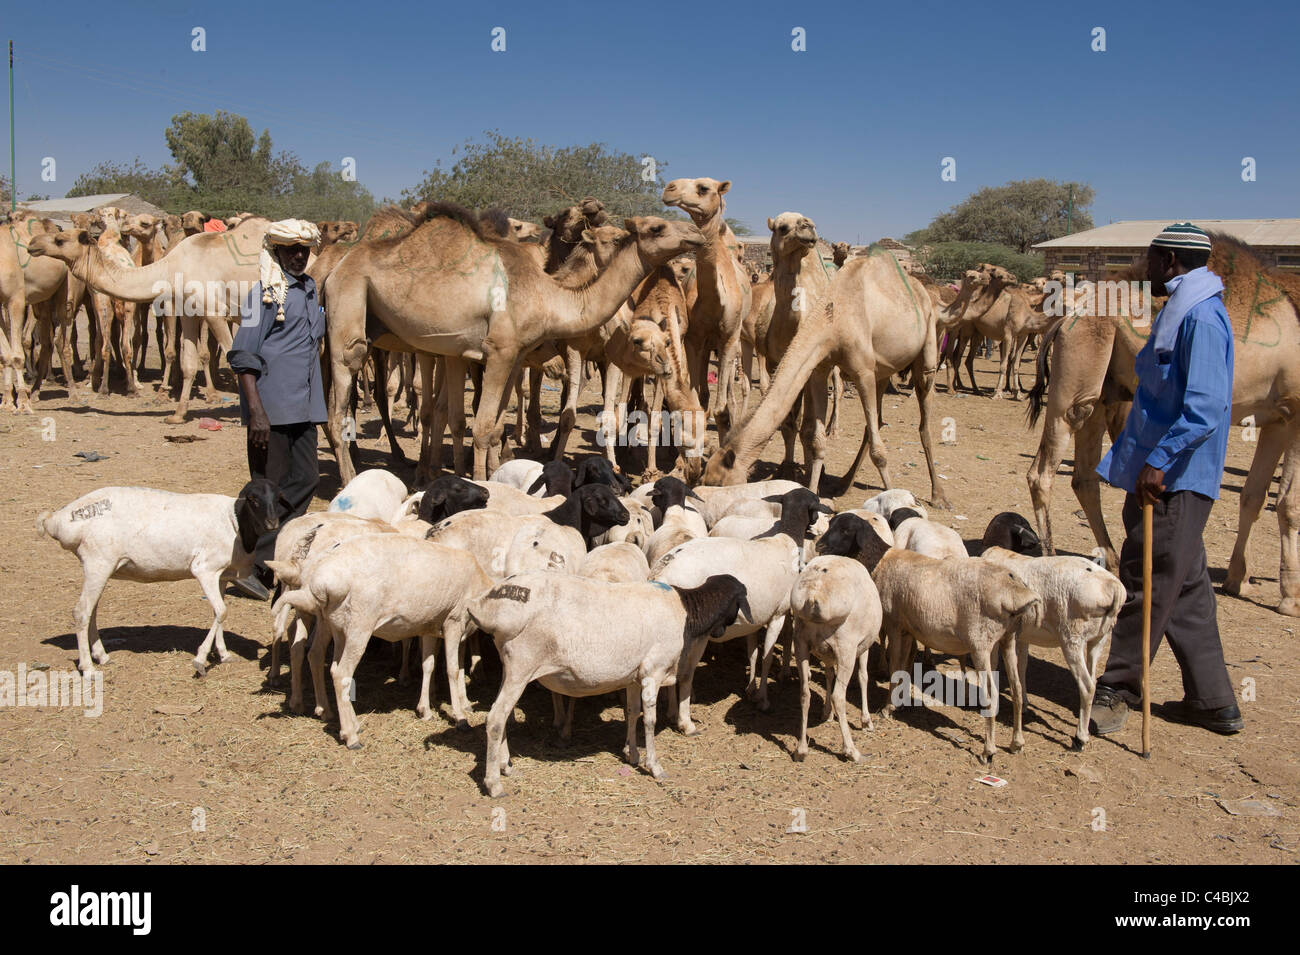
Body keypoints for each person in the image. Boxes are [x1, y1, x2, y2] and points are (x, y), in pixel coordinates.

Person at [1091, 222, 1242, 735]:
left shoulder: (1201, 318)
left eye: (1152, 258)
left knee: (1146, 579)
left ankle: (1118, 688)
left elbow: (1205, 406)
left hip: (1174, 478)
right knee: (1188, 585)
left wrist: (1159, 462)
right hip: (1160, 472)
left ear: (1172, 260)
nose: (1147, 267)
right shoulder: (1181, 311)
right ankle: (1213, 699)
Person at [226, 219, 326, 600]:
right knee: (267, 490)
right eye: (291, 250)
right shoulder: (262, 296)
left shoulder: (310, 288)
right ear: (277, 252)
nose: (299, 256)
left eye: (304, 250)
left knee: (307, 480)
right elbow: (243, 355)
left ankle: (267, 557)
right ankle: (251, 565)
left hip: (304, 406)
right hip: (271, 409)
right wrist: (257, 412)